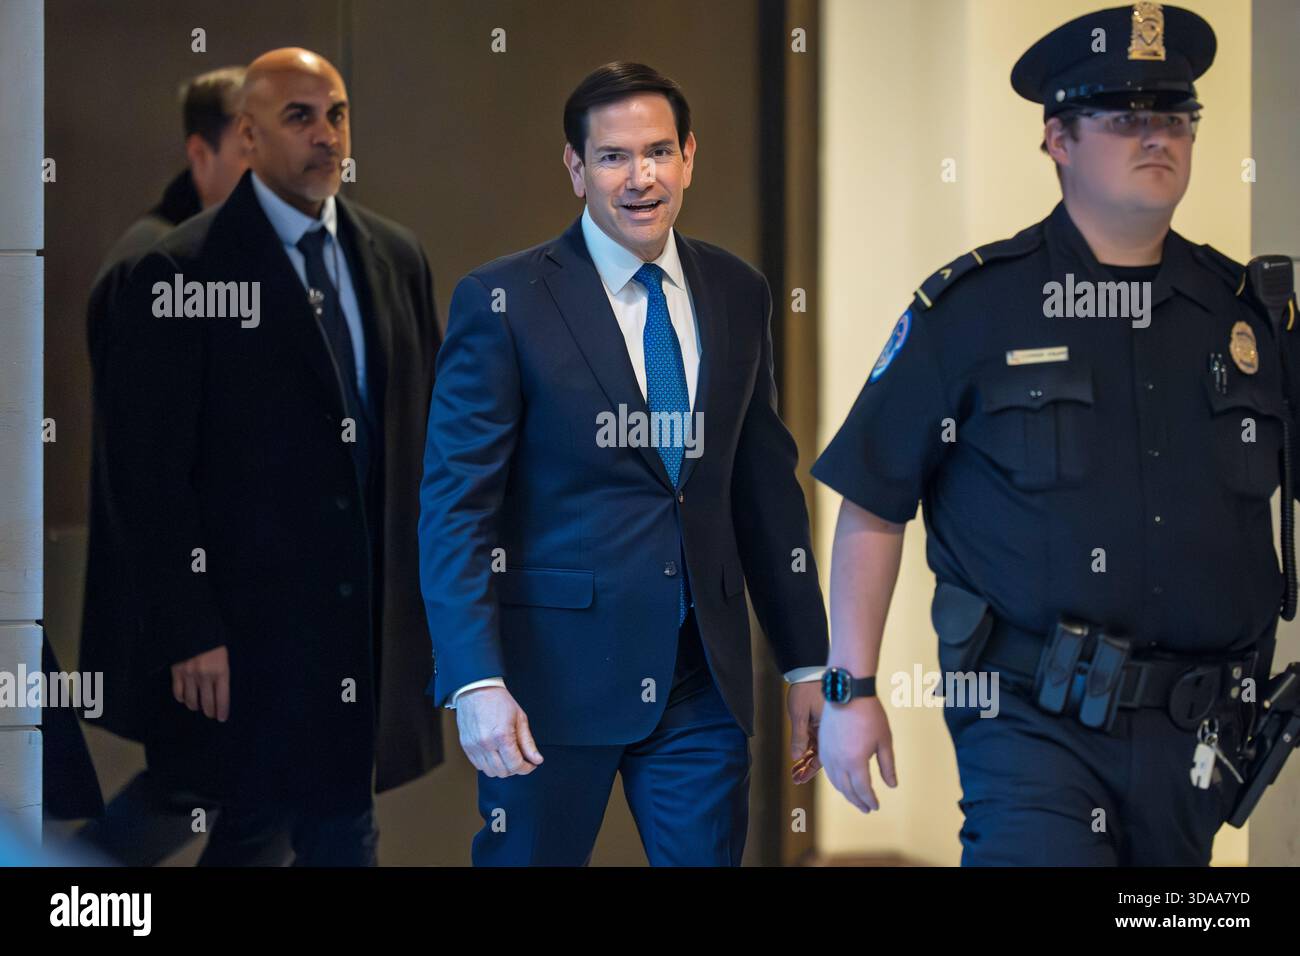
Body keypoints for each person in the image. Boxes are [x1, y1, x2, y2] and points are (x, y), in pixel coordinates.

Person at [813, 3, 1285, 865]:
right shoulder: (974, 310)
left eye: (1177, 118)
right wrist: (851, 689)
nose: (1160, 138)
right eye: (1126, 119)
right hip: (1032, 720)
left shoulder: (1245, 318)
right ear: (1057, 140)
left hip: (1199, 735)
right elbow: (874, 502)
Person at [419, 62, 829, 866]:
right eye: (612, 157)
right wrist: (473, 679)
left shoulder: (738, 291)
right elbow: (456, 506)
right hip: (547, 687)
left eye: (658, 151)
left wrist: (808, 660)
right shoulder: (503, 301)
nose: (640, 177)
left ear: (688, 158)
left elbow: (763, 492)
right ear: (576, 169)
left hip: (700, 681)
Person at [98, 48, 442, 865]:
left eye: (337, 114)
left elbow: (422, 442)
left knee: (337, 832)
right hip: (249, 640)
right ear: (247, 138)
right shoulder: (178, 268)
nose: (327, 135)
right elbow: (147, 475)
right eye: (300, 118)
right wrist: (189, 627)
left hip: (362, 639)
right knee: (257, 832)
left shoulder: (395, 257)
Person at [77, 65, 253, 866]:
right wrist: (188, 626)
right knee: (197, 790)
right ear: (201, 152)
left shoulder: (209, 255)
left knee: (230, 795)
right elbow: (143, 471)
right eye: (251, 150)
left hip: (205, 607)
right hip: (178, 611)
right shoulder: (156, 266)